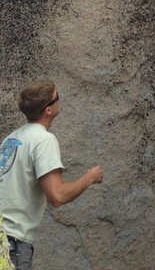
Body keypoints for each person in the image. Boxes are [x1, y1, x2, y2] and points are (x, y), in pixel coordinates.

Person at [0, 80, 103, 270]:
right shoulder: (43, 140)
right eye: (58, 98)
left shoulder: (11, 139)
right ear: (48, 110)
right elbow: (57, 196)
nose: (59, 101)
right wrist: (90, 177)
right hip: (11, 245)